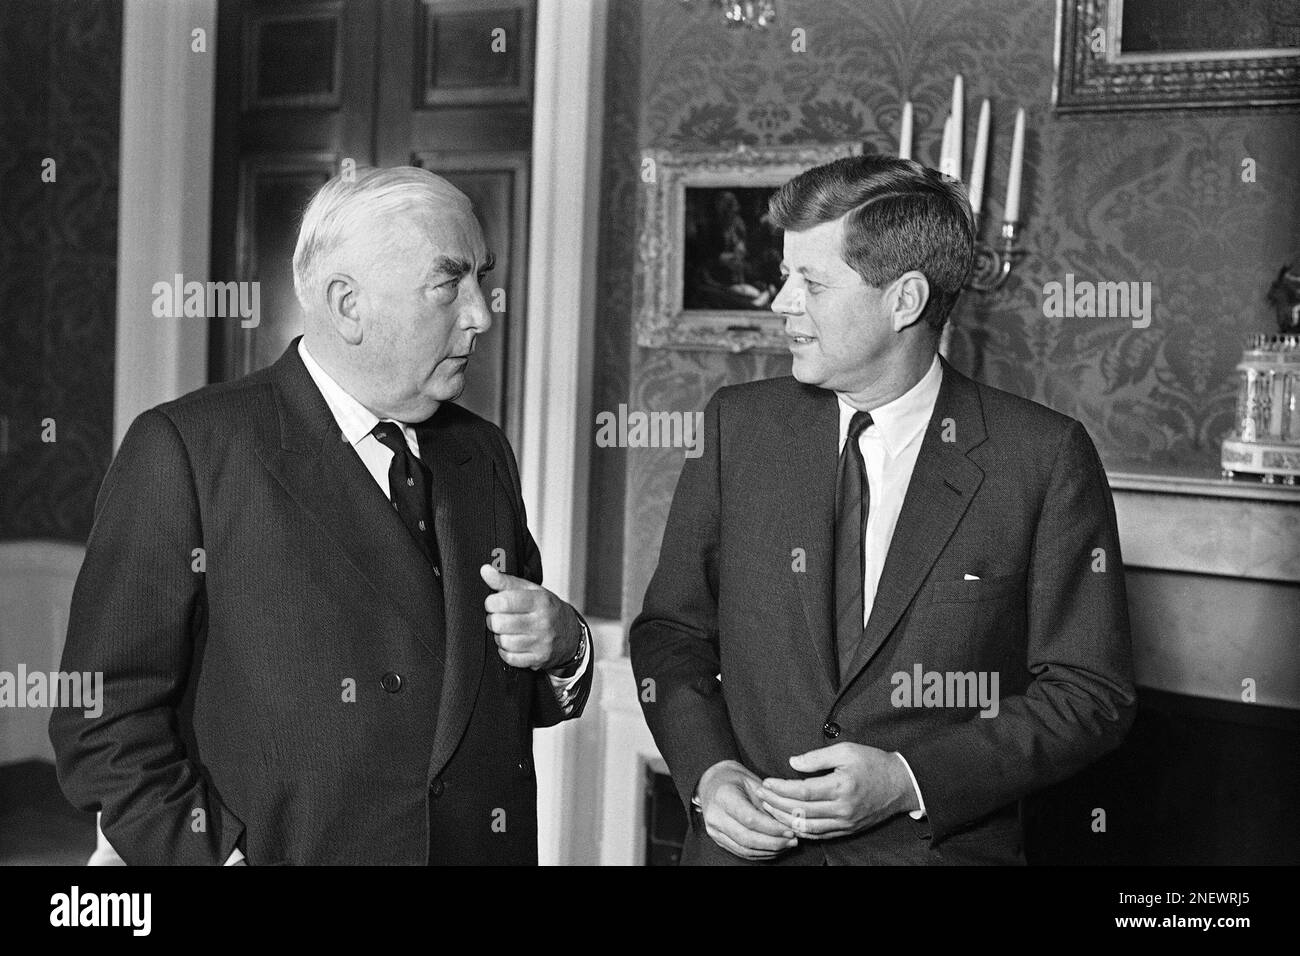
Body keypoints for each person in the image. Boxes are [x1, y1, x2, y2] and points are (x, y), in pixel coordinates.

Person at [49, 166, 592, 865]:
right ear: (347, 304)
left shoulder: (481, 453)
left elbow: (496, 707)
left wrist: (566, 645)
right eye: (448, 284)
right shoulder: (188, 450)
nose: (483, 313)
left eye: (482, 280)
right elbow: (101, 716)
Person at [630, 155, 1135, 865]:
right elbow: (669, 634)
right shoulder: (736, 428)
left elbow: (1089, 693)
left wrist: (908, 781)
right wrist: (709, 774)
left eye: (810, 282)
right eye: (784, 276)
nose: (780, 302)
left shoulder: (1042, 458)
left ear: (904, 300)